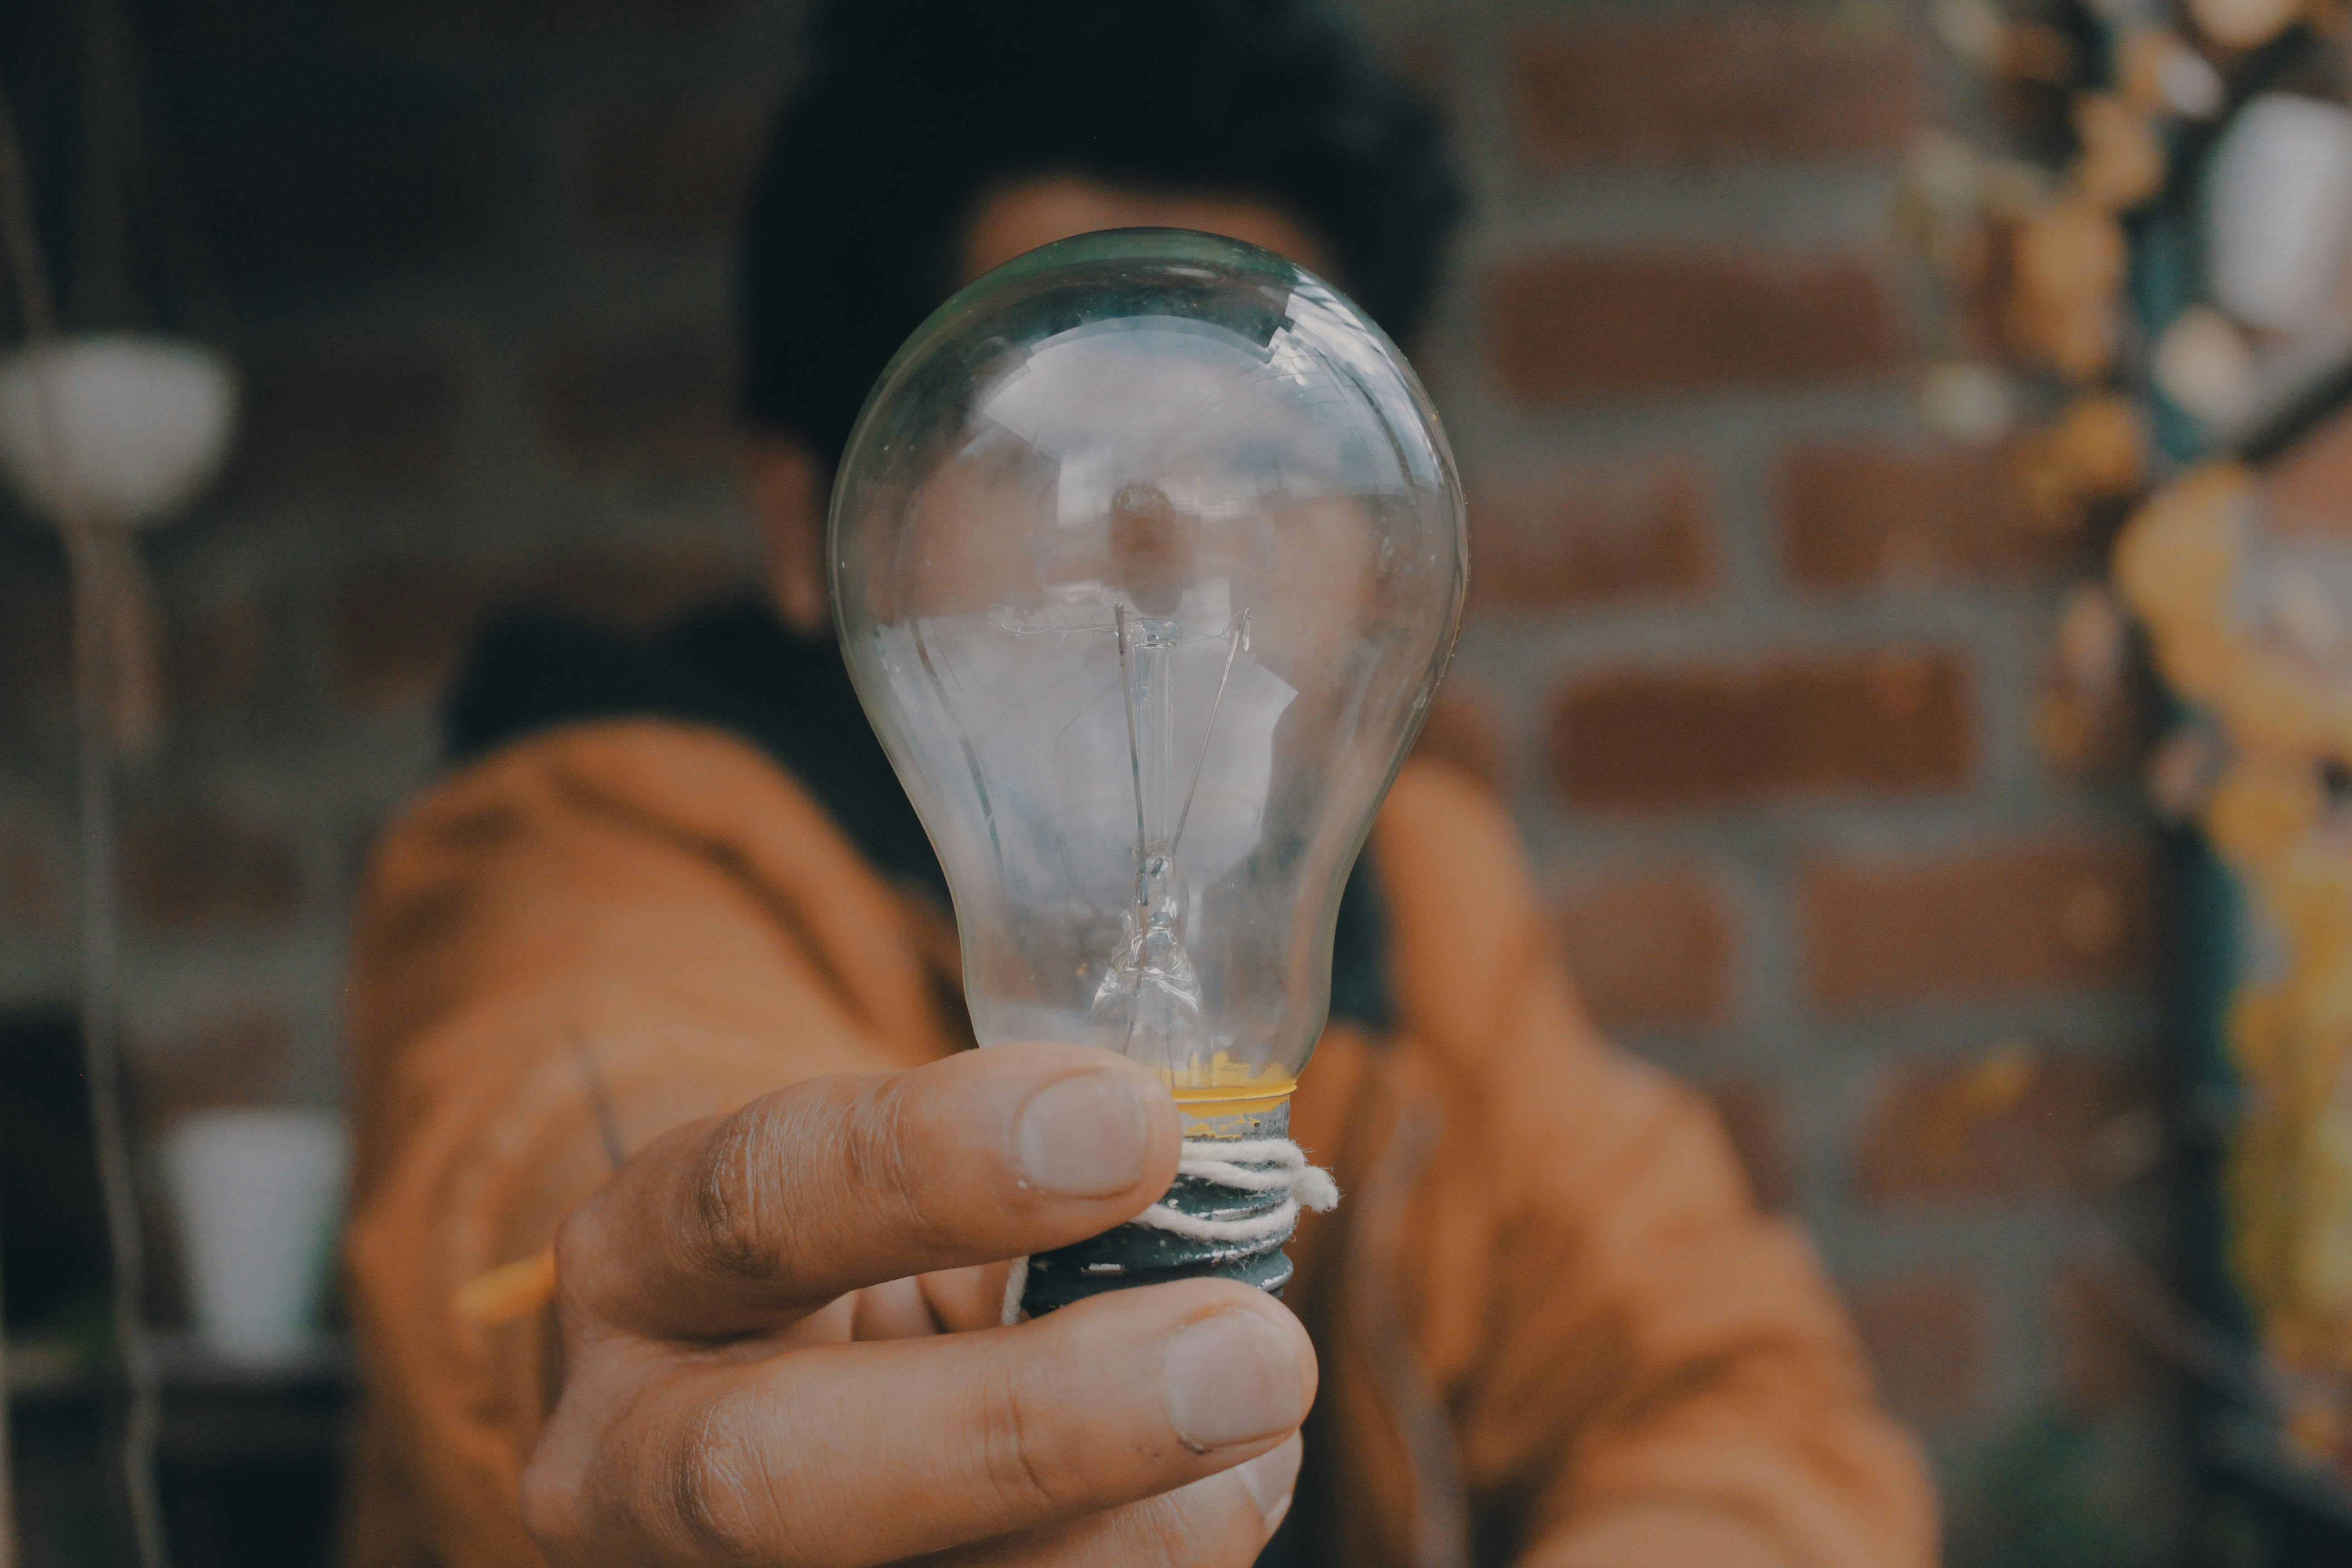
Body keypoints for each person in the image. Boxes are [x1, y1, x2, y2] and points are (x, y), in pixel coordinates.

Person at [341, 2, 1939, 1565]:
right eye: (1053, 466)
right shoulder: (594, 844)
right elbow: (580, 1141)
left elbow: (1738, 1403)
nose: (1178, 561)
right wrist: (716, 1360)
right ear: (805, 519)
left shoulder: (1428, 905)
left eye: (1273, 471)